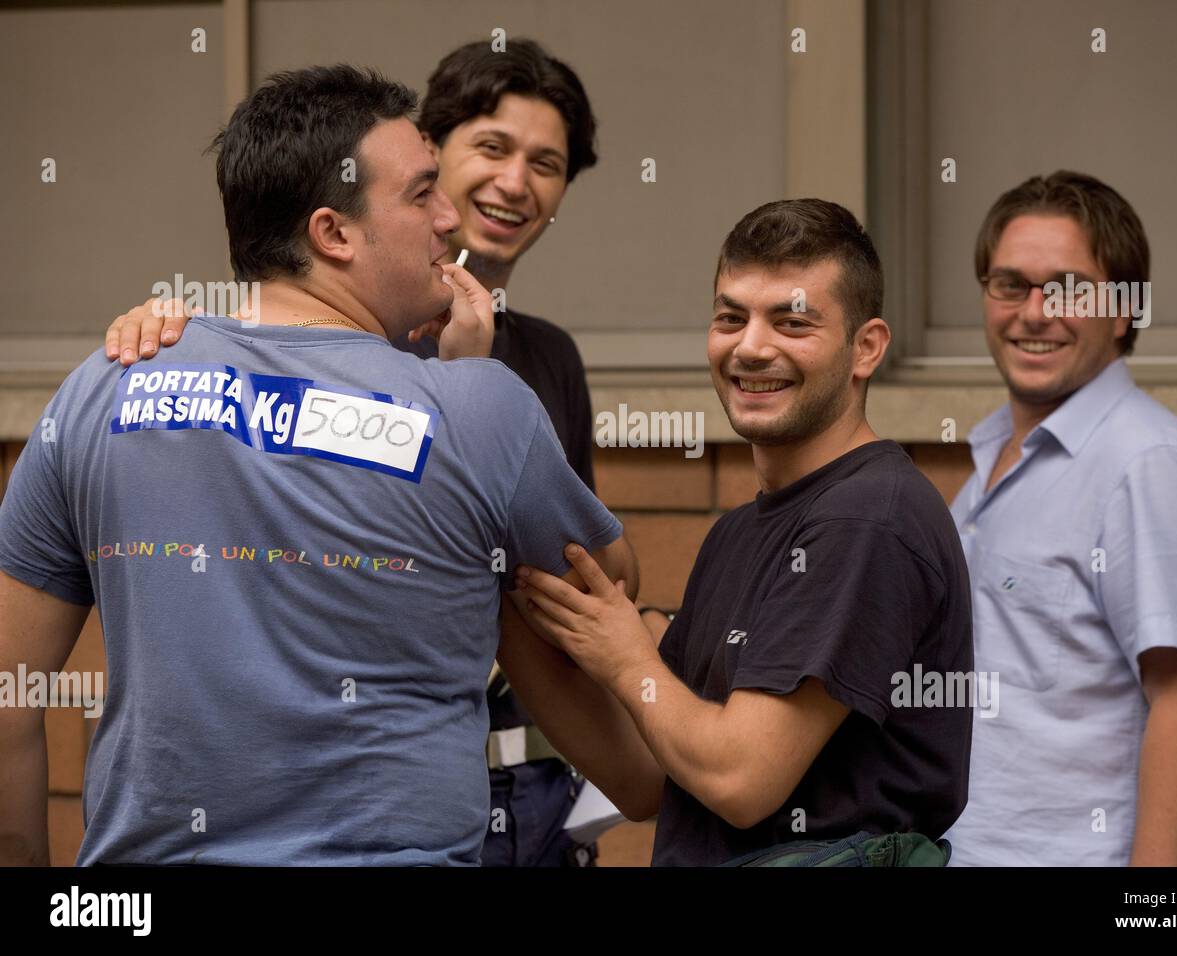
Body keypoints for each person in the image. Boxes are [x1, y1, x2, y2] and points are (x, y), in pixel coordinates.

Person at [0, 64, 633, 866]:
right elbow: (606, 581)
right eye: (422, 193)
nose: (451, 219)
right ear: (333, 233)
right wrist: (466, 390)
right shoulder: (482, 408)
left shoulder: (104, 383)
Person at [499, 199, 973, 865]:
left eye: (793, 321)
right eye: (731, 318)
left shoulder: (867, 516)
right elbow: (646, 779)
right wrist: (502, 601)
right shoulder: (740, 531)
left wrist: (628, 654)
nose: (751, 347)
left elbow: (741, 779)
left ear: (866, 348)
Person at [942, 171, 1177, 866]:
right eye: (1010, 284)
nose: (1035, 311)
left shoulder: (1149, 466)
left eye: (1070, 288)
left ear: (1123, 310)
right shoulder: (993, 459)